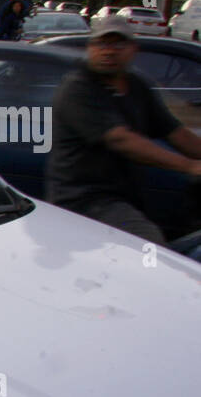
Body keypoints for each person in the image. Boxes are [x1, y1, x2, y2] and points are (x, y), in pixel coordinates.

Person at [48, 17, 201, 242]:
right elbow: (121, 140)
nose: (109, 51)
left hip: (126, 195)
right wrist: (190, 166)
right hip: (85, 200)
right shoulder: (78, 88)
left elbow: (174, 132)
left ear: (133, 49)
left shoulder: (136, 86)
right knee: (148, 243)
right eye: (102, 44)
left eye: (118, 44)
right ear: (90, 48)